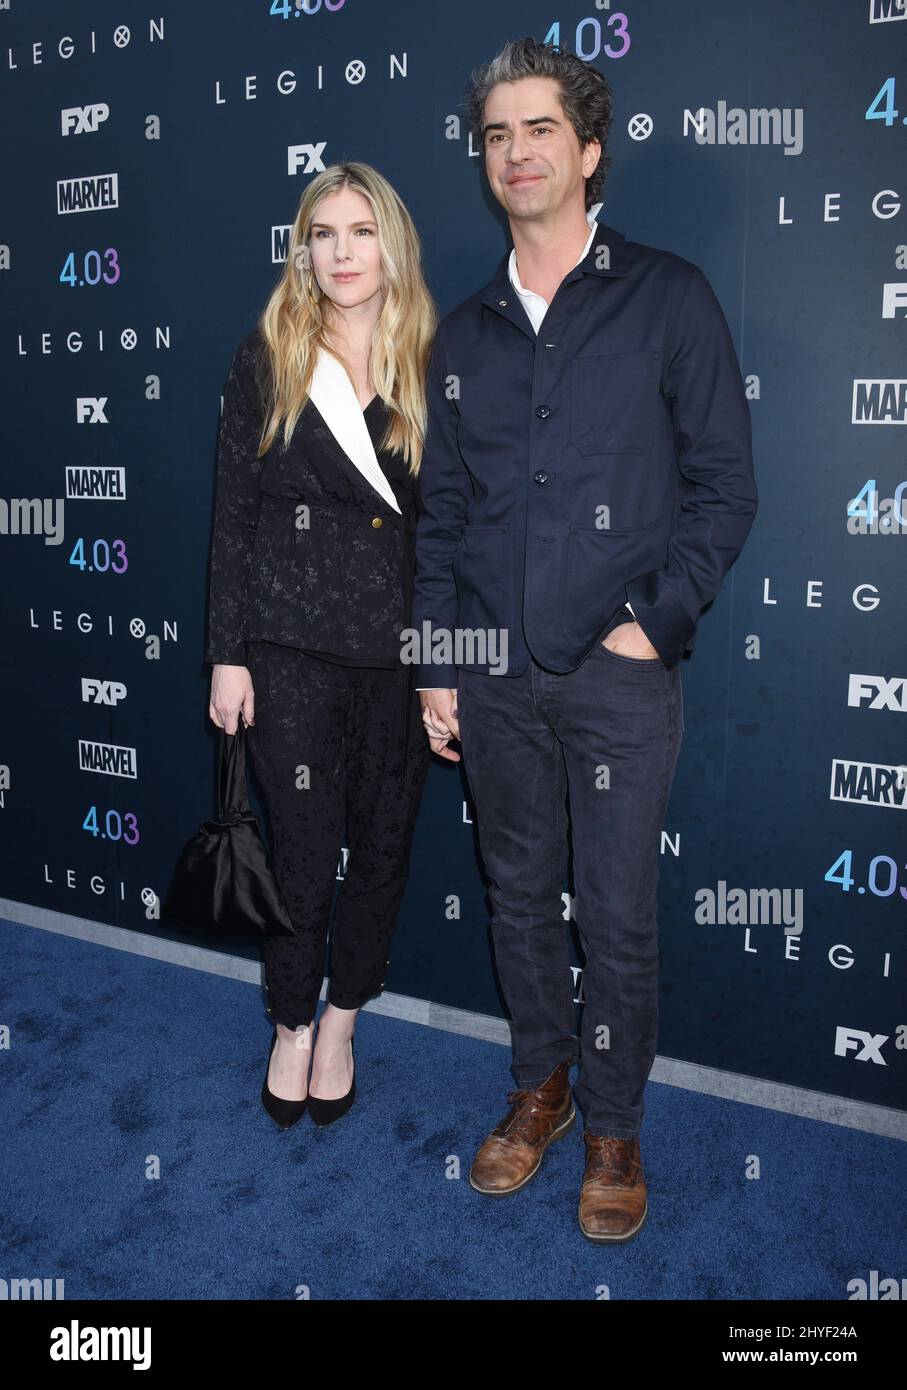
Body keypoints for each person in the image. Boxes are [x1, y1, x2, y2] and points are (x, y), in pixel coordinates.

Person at [414, 38, 758, 1240]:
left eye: (539, 129)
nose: (516, 151)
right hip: (492, 678)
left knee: (612, 913)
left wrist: (649, 624)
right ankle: (540, 1090)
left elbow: (724, 488)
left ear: (589, 148)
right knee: (516, 901)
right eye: (498, 135)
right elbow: (443, 519)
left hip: (618, 682)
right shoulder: (459, 337)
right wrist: (438, 664)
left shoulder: (669, 296)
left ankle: (613, 1126)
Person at [205, 163, 435, 1130]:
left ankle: (343, 1018)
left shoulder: (433, 357)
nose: (341, 252)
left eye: (359, 231)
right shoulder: (269, 356)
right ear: (303, 249)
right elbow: (234, 516)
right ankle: (290, 1021)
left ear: (391, 244)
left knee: (381, 851)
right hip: (290, 649)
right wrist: (228, 652)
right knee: (301, 854)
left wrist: (445, 665)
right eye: (322, 234)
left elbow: (454, 528)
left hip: (398, 657)